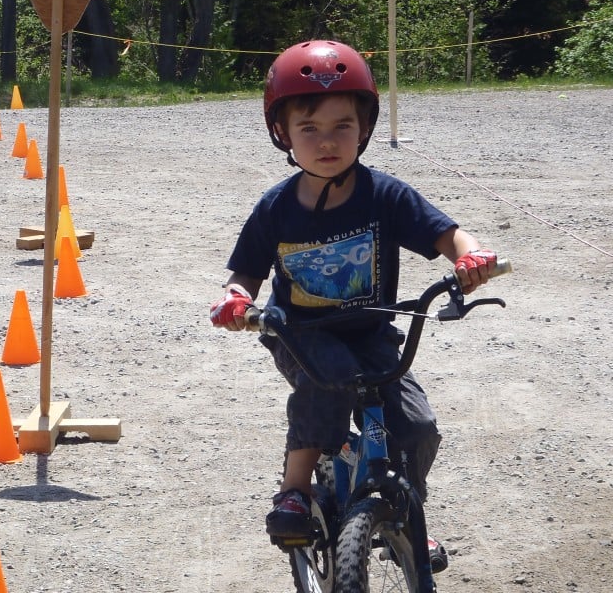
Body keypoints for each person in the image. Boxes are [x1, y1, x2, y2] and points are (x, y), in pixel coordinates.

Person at [209, 39, 496, 571]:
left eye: (343, 125)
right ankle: (295, 491)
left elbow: (448, 234)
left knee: (416, 425)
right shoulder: (275, 208)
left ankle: (409, 515)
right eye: (309, 128)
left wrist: (469, 256)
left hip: (371, 332)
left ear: (364, 129)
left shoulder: (385, 195)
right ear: (283, 133)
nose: (327, 141)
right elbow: (244, 272)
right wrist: (237, 299)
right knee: (331, 381)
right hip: (300, 333)